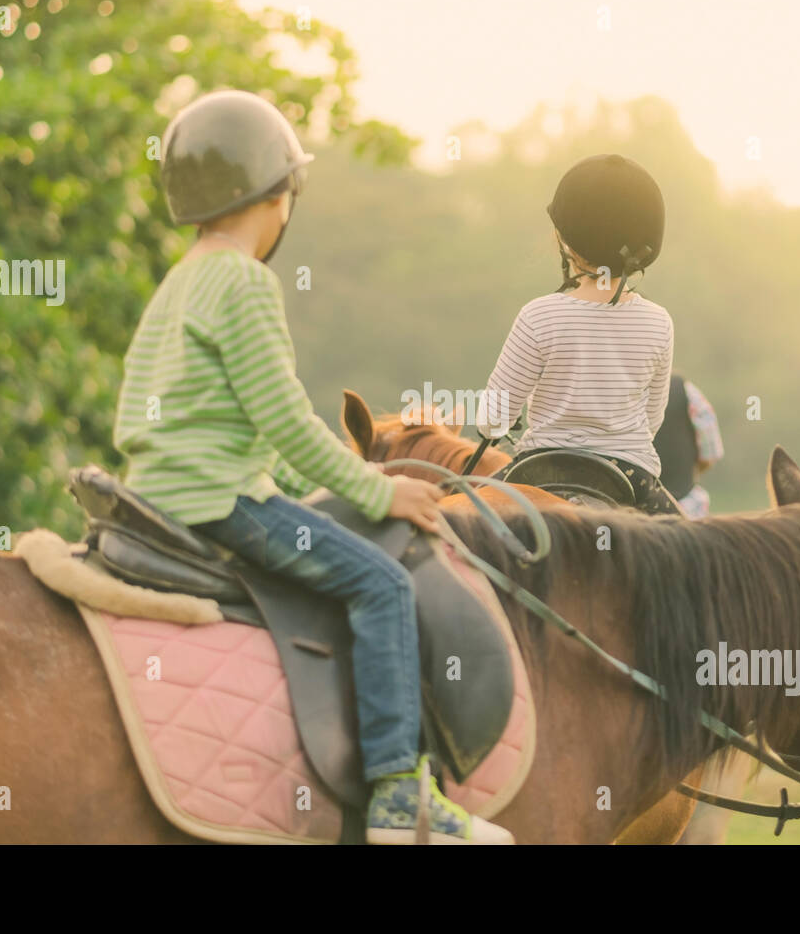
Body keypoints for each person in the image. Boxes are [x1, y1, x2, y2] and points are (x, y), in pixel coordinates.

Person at [112, 89, 511, 844]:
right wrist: (379, 489)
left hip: (164, 492)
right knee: (382, 582)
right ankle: (398, 796)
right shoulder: (245, 282)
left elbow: (235, 431)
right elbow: (287, 422)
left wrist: (323, 490)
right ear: (275, 196)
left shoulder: (180, 283)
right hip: (218, 502)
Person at [475, 154, 680, 514]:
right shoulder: (658, 322)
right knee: (697, 560)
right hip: (630, 478)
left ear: (565, 242)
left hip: (537, 473)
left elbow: (493, 421)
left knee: (455, 537)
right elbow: (652, 420)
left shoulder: (539, 315)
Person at [653, 374, 724, 519]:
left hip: (623, 520)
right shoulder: (684, 390)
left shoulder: (609, 391)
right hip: (686, 512)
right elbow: (710, 453)